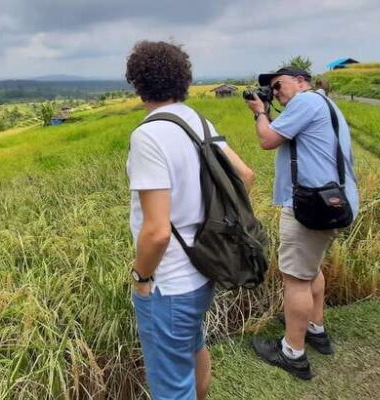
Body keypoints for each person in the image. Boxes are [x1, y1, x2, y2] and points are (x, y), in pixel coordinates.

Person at [125, 41, 254, 399]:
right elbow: (245, 176)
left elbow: (157, 232)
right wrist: (210, 225)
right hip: (204, 269)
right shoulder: (196, 120)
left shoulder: (148, 135)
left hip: (169, 283)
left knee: (170, 385)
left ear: (138, 83)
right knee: (194, 345)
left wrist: (140, 278)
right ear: (183, 79)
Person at [245, 67, 360, 380]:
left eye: (278, 85)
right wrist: (268, 110)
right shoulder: (323, 102)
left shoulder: (305, 102)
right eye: (270, 89)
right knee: (311, 269)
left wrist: (259, 112)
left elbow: (268, 139)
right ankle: (314, 328)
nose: (275, 92)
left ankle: (292, 353)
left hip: (311, 206)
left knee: (295, 277)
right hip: (333, 202)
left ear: (300, 81)